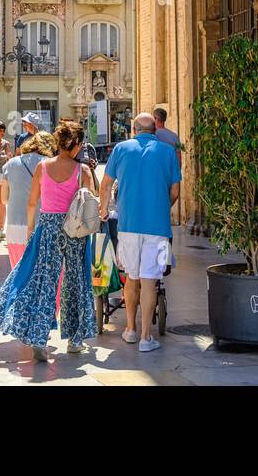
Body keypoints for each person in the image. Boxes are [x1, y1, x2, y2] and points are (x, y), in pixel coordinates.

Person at [0, 120, 98, 361]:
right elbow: (90, 201)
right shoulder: (83, 170)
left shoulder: (43, 168)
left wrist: (30, 231)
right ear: (76, 144)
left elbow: (32, 202)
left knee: (44, 282)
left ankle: (39, 337)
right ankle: (75, 340)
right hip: (73, 229)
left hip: (47, 226)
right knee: (76, 280)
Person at [99, 112, 181, 354]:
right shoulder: (167, 152)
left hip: (128, 226)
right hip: (157, 228)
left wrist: (104, 210)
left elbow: (104, 185)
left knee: (131, 278)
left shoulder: (121, 149)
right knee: (150, 281)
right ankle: (147, 337)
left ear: (133, 131)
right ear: (154, 130)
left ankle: (130, 330)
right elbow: (175, 191)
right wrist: (163, 207)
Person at [1, 129, 55, 267]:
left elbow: (3, 199)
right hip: (43, 226)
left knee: (18, 274)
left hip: (15, 227)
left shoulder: (10, 164)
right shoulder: (51, 165)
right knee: (42, 275)